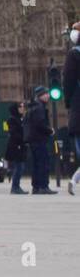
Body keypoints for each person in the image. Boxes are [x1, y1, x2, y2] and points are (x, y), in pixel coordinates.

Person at [24, 85, 56, 194]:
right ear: (40, 96)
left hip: (33, 140)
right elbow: (40, 124)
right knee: (43, 163)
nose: (48, 96)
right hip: (39, 139)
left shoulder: (32, 107)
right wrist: (50, 130)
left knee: (36, 164)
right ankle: (43, 186)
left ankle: (36, 187)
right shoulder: (39, 108)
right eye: (45, 94)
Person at [64, 22, 80, 195]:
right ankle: (74, 180)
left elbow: (68, 81)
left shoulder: (74, 54)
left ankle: (74, 180)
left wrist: (68, 103)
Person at [5, 101, 28, 195]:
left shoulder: (21, 119)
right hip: (16, 146)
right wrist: (22, 139)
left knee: (20, 167)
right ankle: (15, 187)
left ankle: (16, 186)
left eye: (23, 106)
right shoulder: (13, 120)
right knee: (19, 167)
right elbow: (14, 133)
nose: (23, 108)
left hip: (20, 145)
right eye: (20, 107)